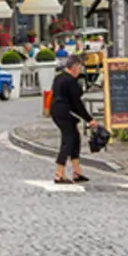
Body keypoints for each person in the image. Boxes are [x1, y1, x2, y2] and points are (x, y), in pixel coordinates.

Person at [50, 55, 94, 183]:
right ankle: (59, 173)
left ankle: (77, 171)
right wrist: (89, 119)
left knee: (75, 138)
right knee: (68, 140)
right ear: (74, 67)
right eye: (79, 68)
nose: (80, 71)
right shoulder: (70, 82)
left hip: (57, 111)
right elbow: (77, 104)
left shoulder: (58, 78)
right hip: (64, 113)